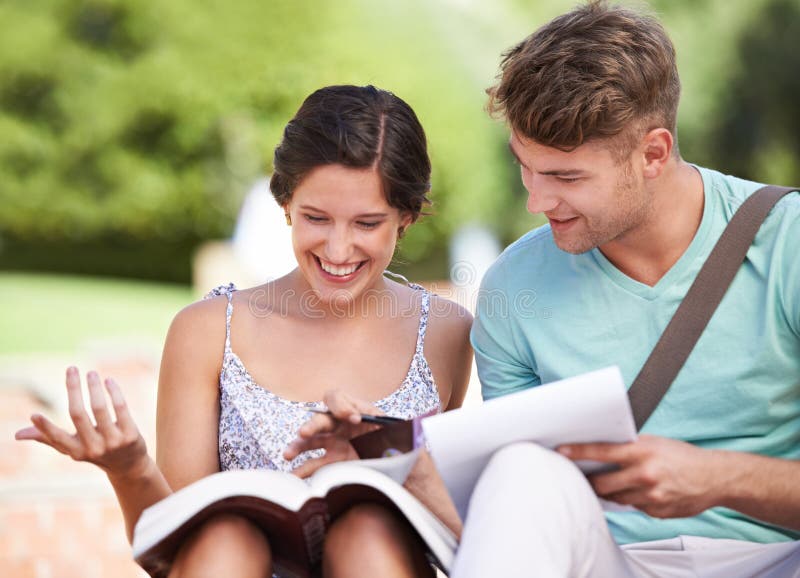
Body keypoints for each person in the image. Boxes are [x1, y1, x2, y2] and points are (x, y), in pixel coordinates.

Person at [14, 84, 473, 578]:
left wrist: (381, 467)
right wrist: (130, 470)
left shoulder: (446, 333)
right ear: (285, 205)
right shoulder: (208, 330)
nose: (339, 250)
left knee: (366, 528)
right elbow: (178, 559)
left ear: (404, 218)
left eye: (367, 223)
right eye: (316, 218)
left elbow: (456, 537)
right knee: (227, 536)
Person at [455, 1, 800, 576]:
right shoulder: (512, 289)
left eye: (566, 177)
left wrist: (718, 479)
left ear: (653, 154)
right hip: (611, 561)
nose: (536, 202)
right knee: (519, 470)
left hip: (783, 557)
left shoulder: (788, 241)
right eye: (526, 167)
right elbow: (520, 506)